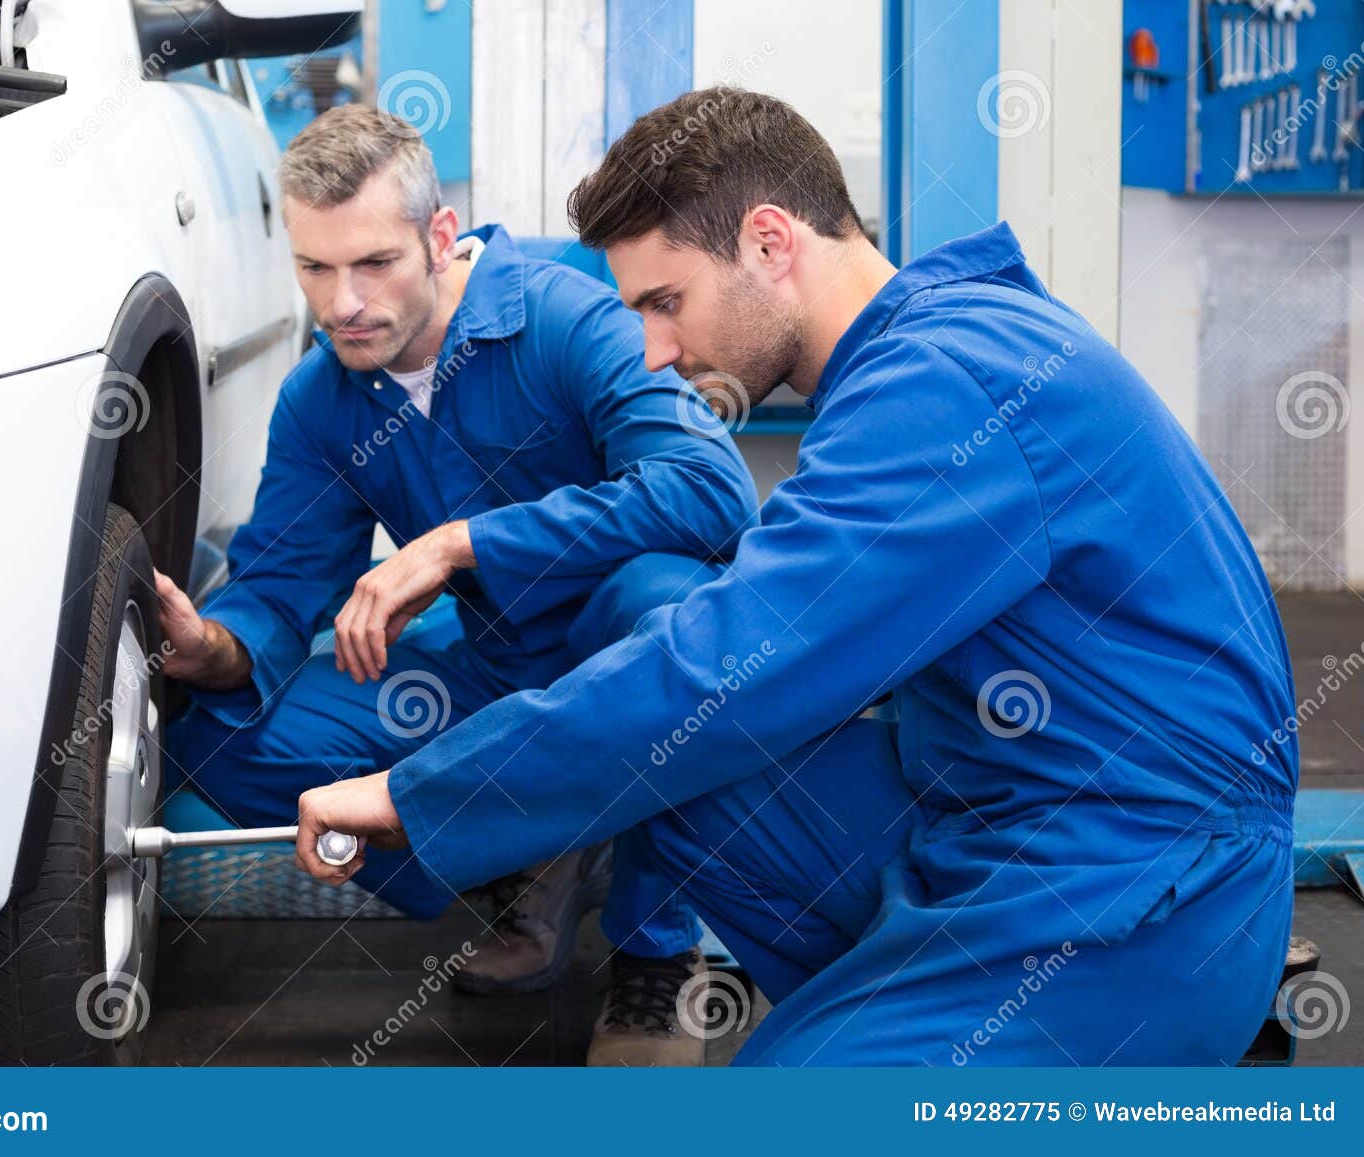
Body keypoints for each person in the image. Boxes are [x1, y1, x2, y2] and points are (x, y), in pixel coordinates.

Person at [291, 88, 1299, 1066]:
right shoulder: (912, 359)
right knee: (638, 627)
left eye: (665, 303)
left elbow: (729, 662)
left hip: (1145, 878)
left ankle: (982, 1039)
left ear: (770, 243)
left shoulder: (951, 383)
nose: (653, 351)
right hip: (983, 811)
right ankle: (896, 1019)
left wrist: (419, 793)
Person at [157, 103, 759, 1065]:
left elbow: (711, 488)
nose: (343, 302)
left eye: (374, 263)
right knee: (214, 730)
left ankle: (657, 952)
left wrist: (458, 545)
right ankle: (530, 855)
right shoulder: (323, 396)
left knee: (667, 608)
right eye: (316, 269)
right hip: (491, 674)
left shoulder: (565, 319)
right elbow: (278, 585)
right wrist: (213, 649)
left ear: (440, 237)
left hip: (613, 650)